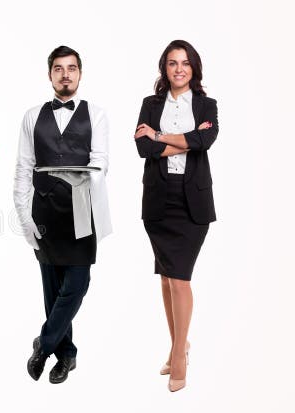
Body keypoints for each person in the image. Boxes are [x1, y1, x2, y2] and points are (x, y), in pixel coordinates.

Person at [14, 45, 111, 384]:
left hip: (81, 209)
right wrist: (23, 215)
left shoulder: (96, 114)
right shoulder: (31, 115)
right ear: (50, 74)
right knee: (52, 290)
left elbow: (101, 163)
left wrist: (76, 176)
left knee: (78, 284)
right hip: (43, 211)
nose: (65, 74)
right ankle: (66, 355)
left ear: (80, 74)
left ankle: (45, 342)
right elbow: (24, 168)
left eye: (71, 68)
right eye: (59, 68)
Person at [134, 39, 218, 392]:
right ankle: (177, 344)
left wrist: (161, 137)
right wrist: (184, 138)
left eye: (185, 63)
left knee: (180, 279)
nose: (179, 69)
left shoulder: (206, 104)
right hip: (158, 199)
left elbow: (206, 141)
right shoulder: (150, 104)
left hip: (191, 201)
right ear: (164, 68)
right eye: (172, 63)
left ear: (194, 68)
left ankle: (180, 356)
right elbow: (143, 147)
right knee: (167, 279)